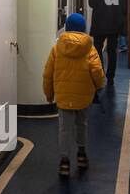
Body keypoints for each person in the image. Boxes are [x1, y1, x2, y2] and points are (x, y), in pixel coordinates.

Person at [43, 12, 106, 178]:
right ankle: (82, 154)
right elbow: (97, 72)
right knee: (82, 124)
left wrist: (49, 94)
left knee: (64, 129)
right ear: (83, 29)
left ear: (67, 27)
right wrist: (100, 86)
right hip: (84, 96)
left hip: (63, 97)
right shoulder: (90, 48)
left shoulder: (57, 48)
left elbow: (48, 73)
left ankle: (64, 161)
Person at [88, 0, 127, 88]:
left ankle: (100, 75)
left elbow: (91, 3)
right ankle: (111, 77)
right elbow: (125, 7)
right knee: (112, 51)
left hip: (99, 24)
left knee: (98, 50)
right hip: (114, 24)